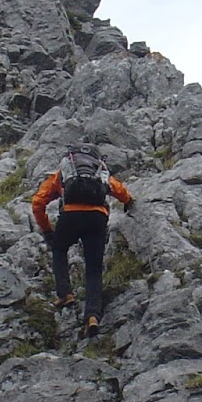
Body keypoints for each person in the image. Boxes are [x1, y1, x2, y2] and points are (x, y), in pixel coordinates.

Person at [30, 144, 134, 338]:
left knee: (59, 249)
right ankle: (92, 317)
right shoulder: (99, 170)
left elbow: (38, 203)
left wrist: (47, 230)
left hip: (71, 215)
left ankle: (65, 294)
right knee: (93, 269)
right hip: (97, 217)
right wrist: (128, 202)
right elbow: (119, 190)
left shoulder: (64, 173)